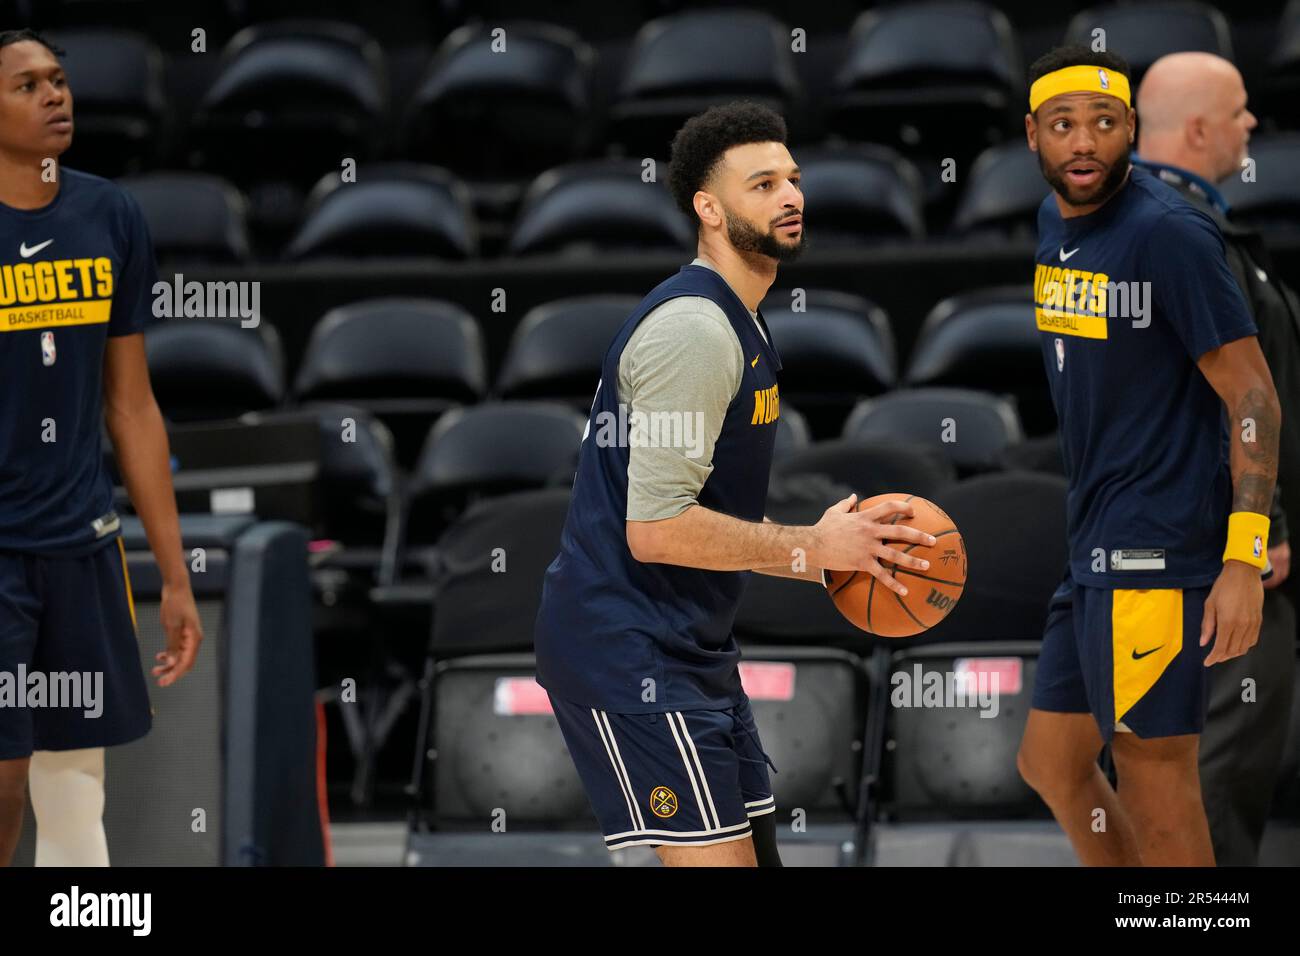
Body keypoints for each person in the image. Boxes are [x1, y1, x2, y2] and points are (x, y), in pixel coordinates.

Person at [533, 100, 935, 867]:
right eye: (761, 184)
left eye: (792, 178)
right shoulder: (696, 331)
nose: (790, 196)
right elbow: (655, 529)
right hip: (629, 651)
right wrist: (810, 548)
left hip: (688, 644)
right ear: (708, 209)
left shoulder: (740, 316)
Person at [1016, 45, 1281, 866]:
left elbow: (1253, 399)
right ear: (1034, 137)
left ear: (1133, 128)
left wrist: (1242, 557)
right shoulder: (1055, 224)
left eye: (1105, 122)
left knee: (1156, 786)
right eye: (1065, 126)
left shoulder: (1171, 236)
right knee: (1052, 762)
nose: (1085, 142)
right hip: (1092, 544)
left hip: (1157, 552)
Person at [0, 29, 203, 866]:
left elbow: (133, 408)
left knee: (75, 784)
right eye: (27, 85)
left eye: (59, 80)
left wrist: (176, 571)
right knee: (6, 774)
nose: (55, 96)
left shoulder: (109, 214)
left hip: (82, 544)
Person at [1135, 50, 1300, 864]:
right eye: (1238, 110)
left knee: (1205, 794)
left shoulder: (1163, 225)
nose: (1252, 124)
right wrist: (1252, 536)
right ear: (1198, 128)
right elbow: (1211, 411)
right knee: (1208, 800)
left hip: (1208, 563)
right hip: (1219, 574)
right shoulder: (1176, 235)